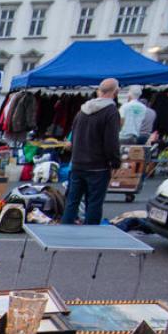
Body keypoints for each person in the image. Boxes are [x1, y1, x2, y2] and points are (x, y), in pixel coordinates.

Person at [63, 78, 121, 225]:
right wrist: (115, 162)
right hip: (98, 165)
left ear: (99, 91)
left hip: (78, 163)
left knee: (72, 201)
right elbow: (111, 141)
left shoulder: (82, 110)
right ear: (116, 92)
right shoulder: (111, 111)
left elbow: (74, 136)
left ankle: (64, 230)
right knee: (94, 203)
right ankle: (90, 234)